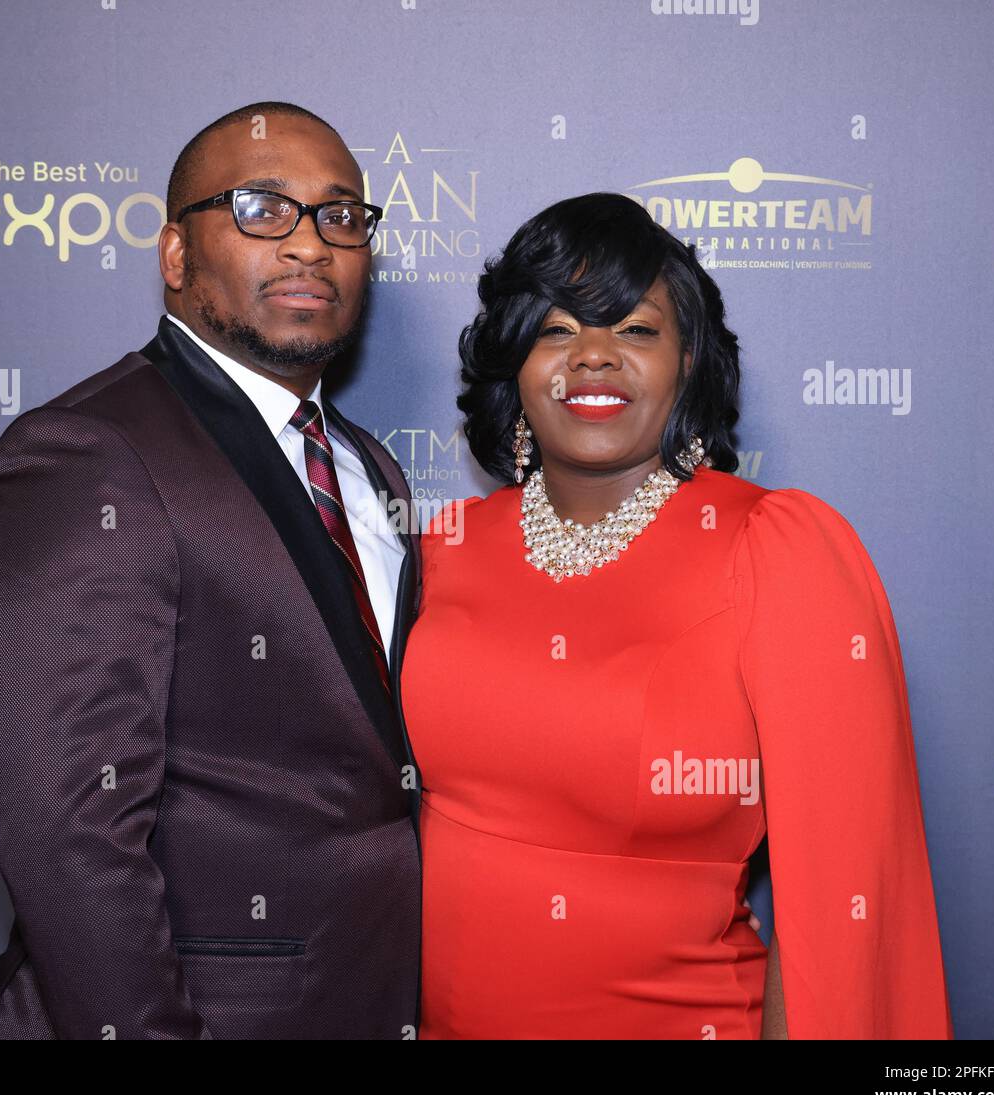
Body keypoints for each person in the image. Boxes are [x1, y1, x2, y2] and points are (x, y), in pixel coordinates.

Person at [399, 192, 955, 1039]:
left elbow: (848, 890)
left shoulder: (776, 548)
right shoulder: (444, 545)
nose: (593, 357)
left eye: (635, 331)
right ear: (514, 362)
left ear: (688, 362)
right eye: (557, 330)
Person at [0, 102, 422, 1040]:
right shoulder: (87, 450)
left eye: (341, 216)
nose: (309, 245)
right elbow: (67, 831)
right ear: (175, 256)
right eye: (262, 208)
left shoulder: (370, 469)